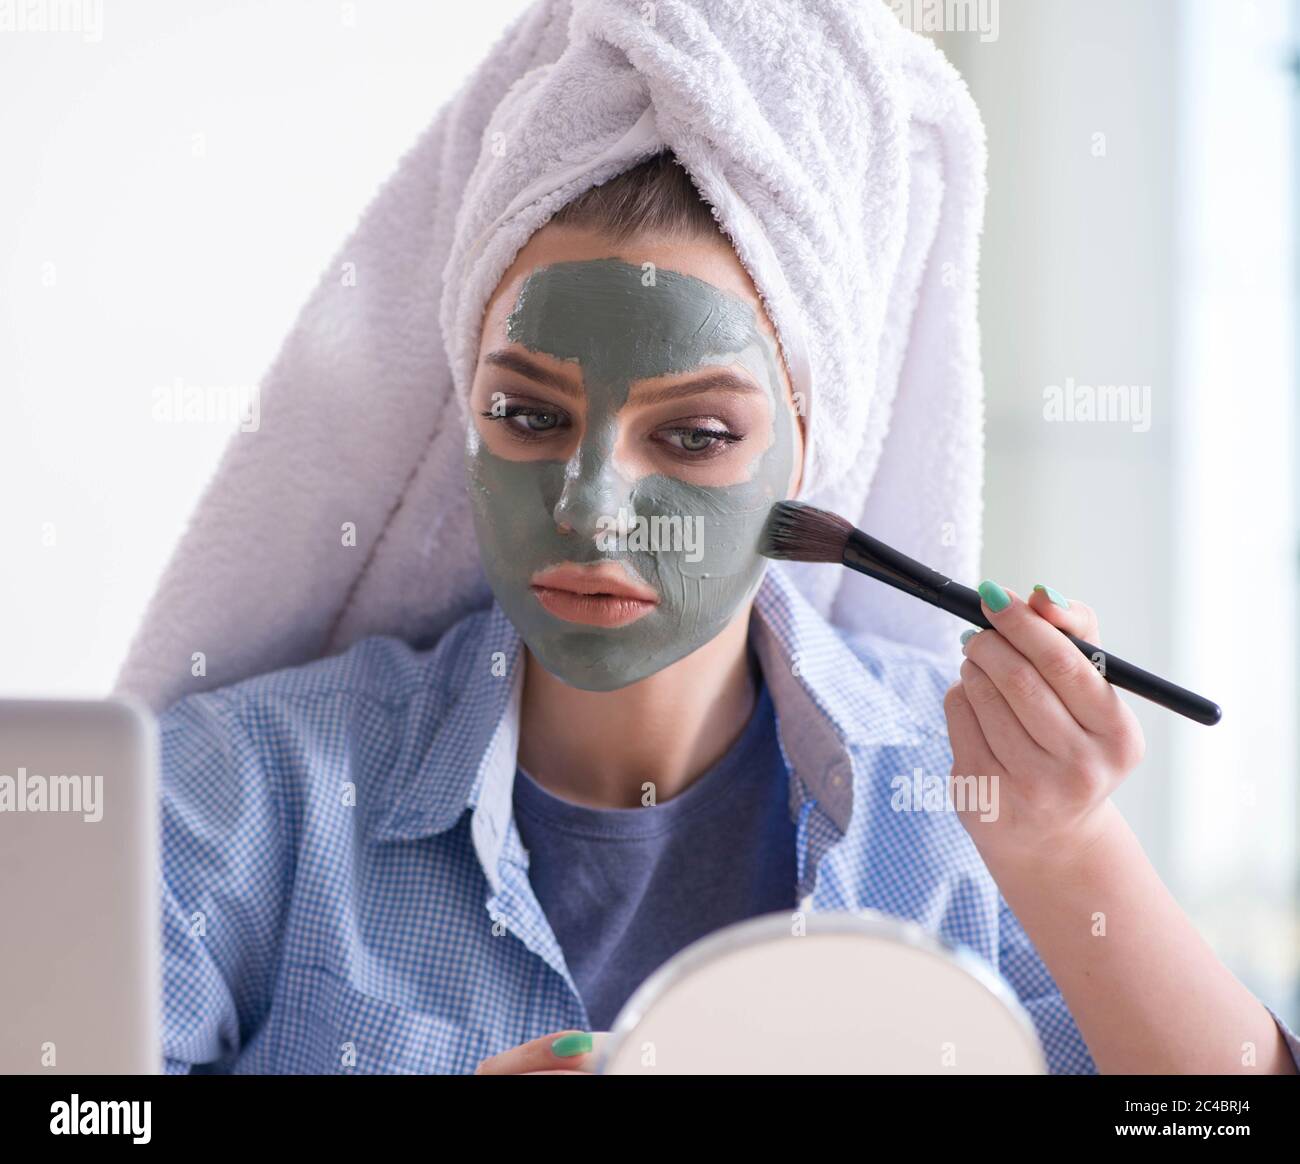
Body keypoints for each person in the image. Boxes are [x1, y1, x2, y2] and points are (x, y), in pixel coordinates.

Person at [157, 151, 1299, 1076]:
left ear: (807, 449)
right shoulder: (240, 787)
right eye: (527, 415)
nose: (594, 510)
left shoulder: (964, 801)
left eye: (695, 435)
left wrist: (1069, 853)